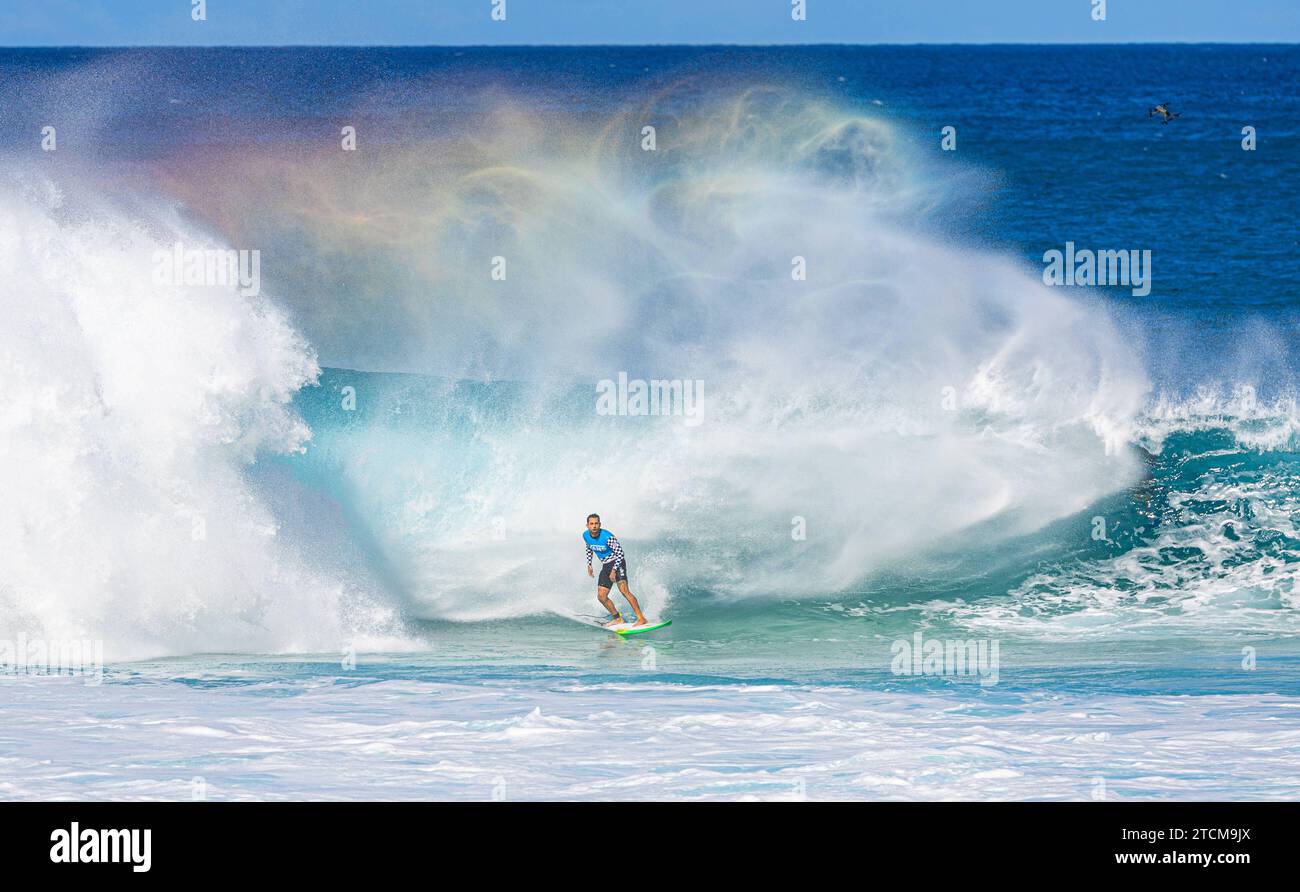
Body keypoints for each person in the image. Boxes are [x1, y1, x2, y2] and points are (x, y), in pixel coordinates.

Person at [582, 514, 647, 627]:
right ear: (587, 525)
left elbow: (620, 554)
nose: (594, 526)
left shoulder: (608, 537)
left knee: (624, 591)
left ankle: (641, 618)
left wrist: (614, 570)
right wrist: (589, 564)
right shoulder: (585, 535)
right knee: (601, 596)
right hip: (606, 565)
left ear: (600, 524)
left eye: (596, 523)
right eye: (591, 524)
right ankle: (617, 618)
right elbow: (589, 547)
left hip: (618, 562)